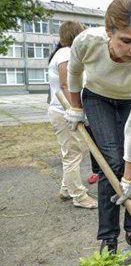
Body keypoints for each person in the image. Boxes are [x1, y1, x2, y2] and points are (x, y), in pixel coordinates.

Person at [66, 0, 131, 254]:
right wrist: (76, 107)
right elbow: (74, 72)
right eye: (126, 41)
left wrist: (129, 179)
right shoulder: (87, 42)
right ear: (109, 31)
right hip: (98, 98)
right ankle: (108, 238)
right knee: (111, 165)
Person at [47, 21, 97, 209]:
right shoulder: (66, 53)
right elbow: (66, 84)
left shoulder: (63, 52)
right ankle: (79, 196)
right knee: (72, 154)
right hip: (64, 111)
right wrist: (77, 109)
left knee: (71, 152)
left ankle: (66, 189)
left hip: (63, 111)